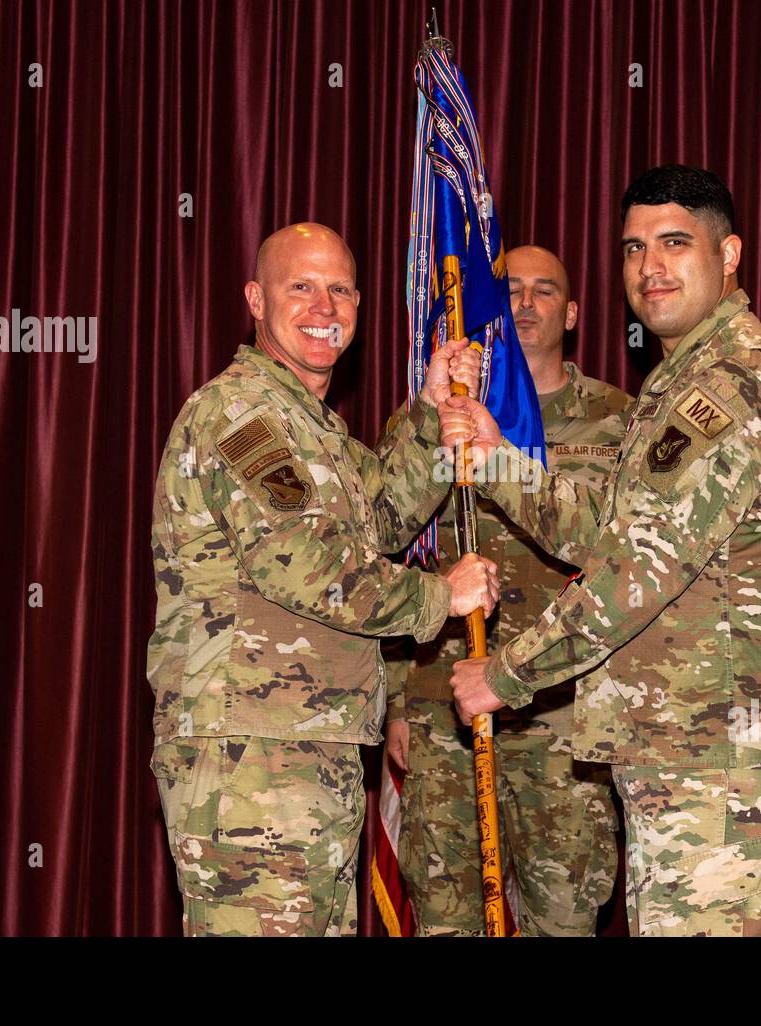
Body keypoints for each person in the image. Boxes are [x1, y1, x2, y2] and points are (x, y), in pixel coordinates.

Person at [442, 166, 761, 936]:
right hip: (693, 739)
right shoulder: (681, 380)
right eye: (633, 247)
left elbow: (635, 572)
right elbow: (613, 532)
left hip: (721, 745)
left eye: (675, 243)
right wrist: (498, 463)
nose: (650, 266)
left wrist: (506, 676)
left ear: (729, 256)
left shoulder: (729, 382)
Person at [146, 222, 498, 937]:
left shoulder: (313, 428)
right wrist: (440, 595)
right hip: (248, 760)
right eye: (299, 286)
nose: (323, 306)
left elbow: (382, 518)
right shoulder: (242, 414)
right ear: (255, 298)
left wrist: (430, 412)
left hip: (312, 748)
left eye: (340, 289)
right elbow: (309, 566)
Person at [383, 246, 630, 936]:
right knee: (444, 915)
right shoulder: (446, 414)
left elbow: (632, 565)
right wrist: (398, 698)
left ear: (573, 312)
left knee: (565, 916)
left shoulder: (619, 420)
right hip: (444, 706)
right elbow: (394, 550)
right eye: (510, 289)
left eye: (544, 290)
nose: (524, 303)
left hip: (564, 713)